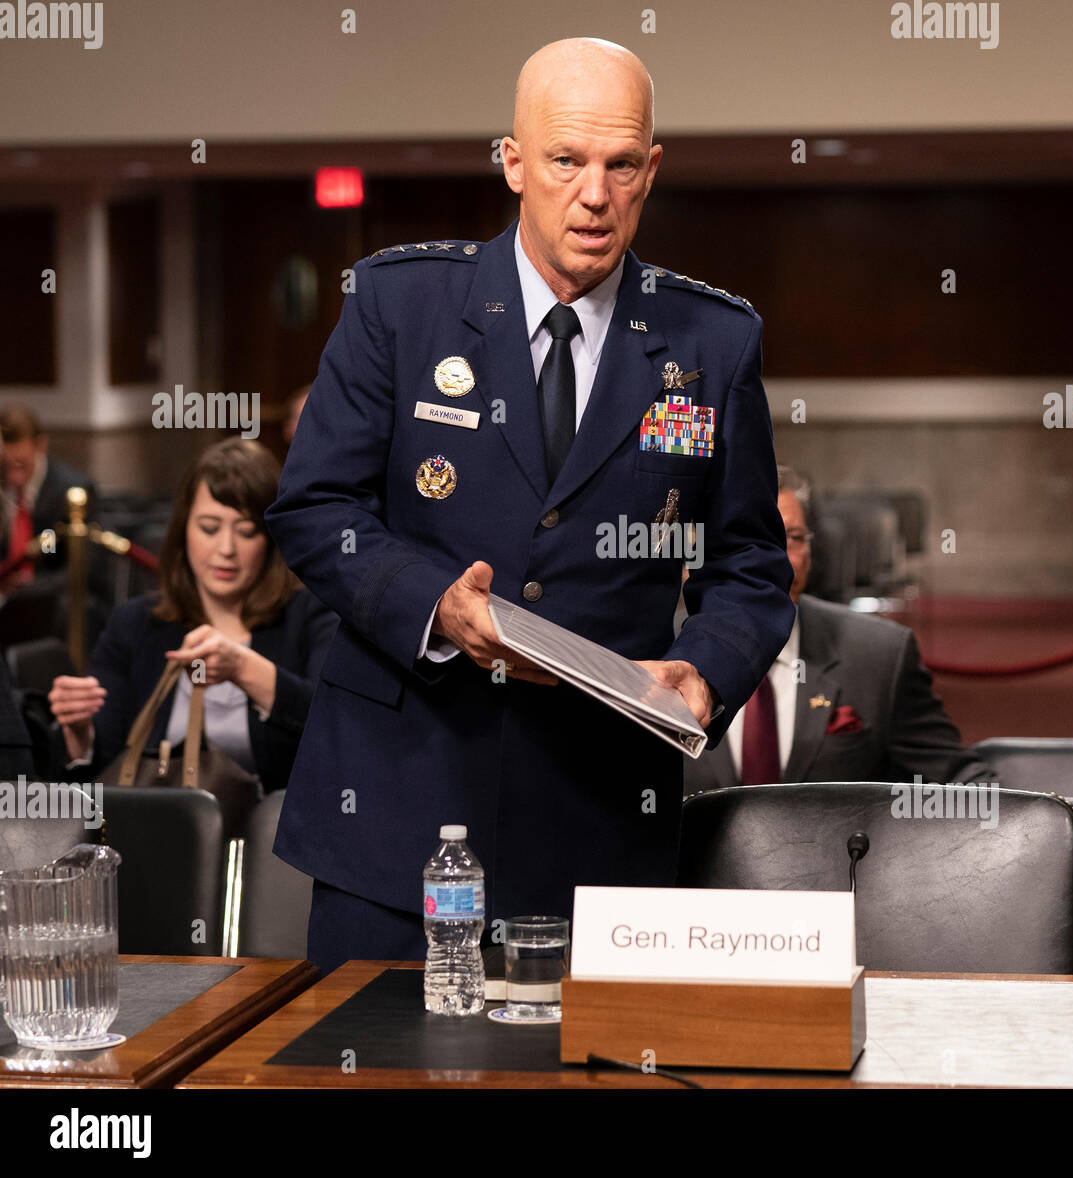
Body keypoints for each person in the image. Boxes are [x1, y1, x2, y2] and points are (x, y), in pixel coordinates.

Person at [264, 37, 794, 974]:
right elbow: (314, 506)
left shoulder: (713, 342)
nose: (595, 193)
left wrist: (700, 676)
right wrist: (435, 604)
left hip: (597, 824)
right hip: (394, 808)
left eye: (621, 165)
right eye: (566, 160)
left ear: (650, 170)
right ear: (513, 162)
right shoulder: (403, 303)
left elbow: (749, 569)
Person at [46, 438, 337, 797]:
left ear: (271, 539)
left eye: (246, 531)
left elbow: (334, 729)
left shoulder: (312, 614)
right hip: (164, 835)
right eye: (209, 528)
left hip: (273, 837)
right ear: (184, 531)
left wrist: (242, 668)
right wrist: (79, 732)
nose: (225, 550)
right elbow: (107, 765)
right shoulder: (136, 622)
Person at [686, 467, 993, 795]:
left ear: (811, 552)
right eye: (750, 541)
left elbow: (969, 790)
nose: (774, 560)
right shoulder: (654, 656)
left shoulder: (879, 655)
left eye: (792, 538)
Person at [0, 403, 96, 591]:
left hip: (50, 599)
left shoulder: (72, 492)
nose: (12, 476)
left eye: (20, 464)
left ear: (40, 445)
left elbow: (80, 570)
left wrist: (29, 588)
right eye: (5, 465)